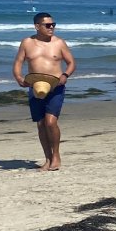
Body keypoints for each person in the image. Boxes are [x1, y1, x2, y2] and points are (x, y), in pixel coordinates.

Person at [12, 12, 75, 171]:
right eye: (47, 25)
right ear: (37, 26)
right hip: (36, 87)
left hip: (55, 87)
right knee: (41, 124)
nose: (51, 27)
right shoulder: (27, 42)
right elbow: (18, 62)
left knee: (51, 122)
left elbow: (71, 63)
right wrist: (18, 77)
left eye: (53, 24)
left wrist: (65, 75)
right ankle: (48, 159)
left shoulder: (59, 43)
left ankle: (56, 156)